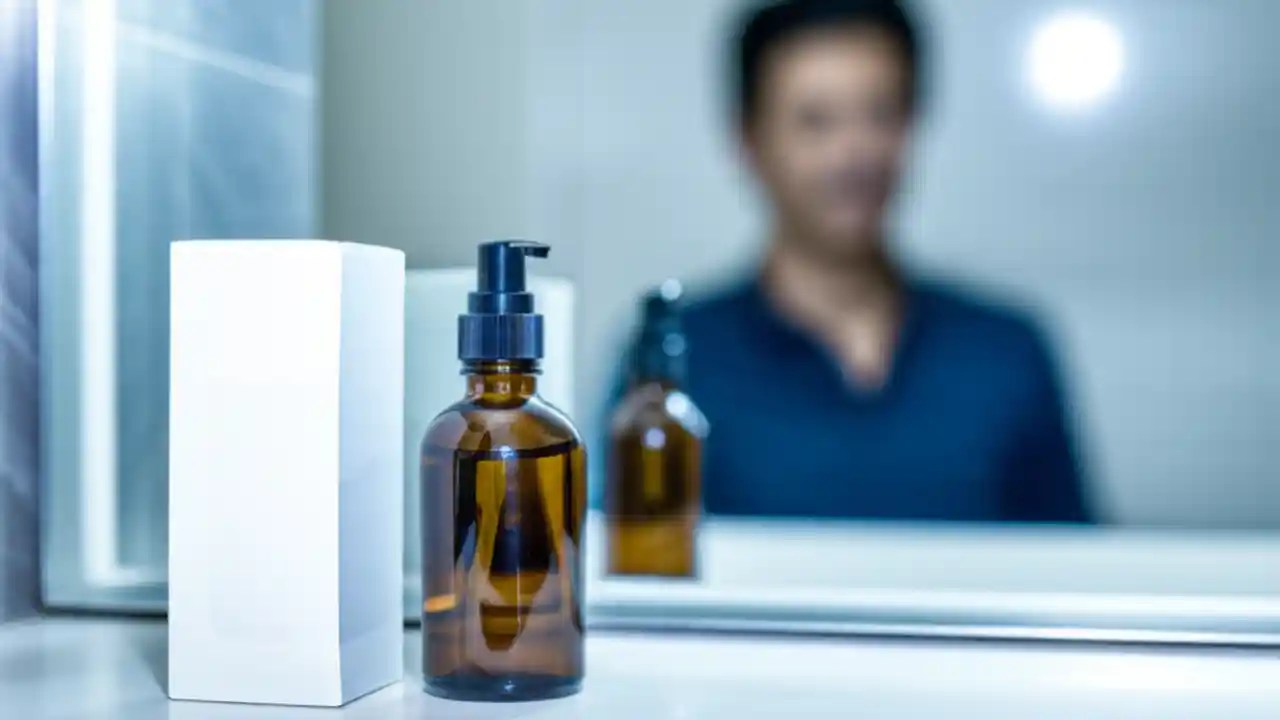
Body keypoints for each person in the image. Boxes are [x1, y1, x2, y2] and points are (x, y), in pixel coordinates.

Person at [608, 0, 1093, 522]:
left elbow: (1074, 578)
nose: (854, 154)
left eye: (881, 113)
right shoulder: (672, 362)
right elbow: (626, 581)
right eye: (815, 121)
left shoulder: (1006, 352)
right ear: (748, 140)